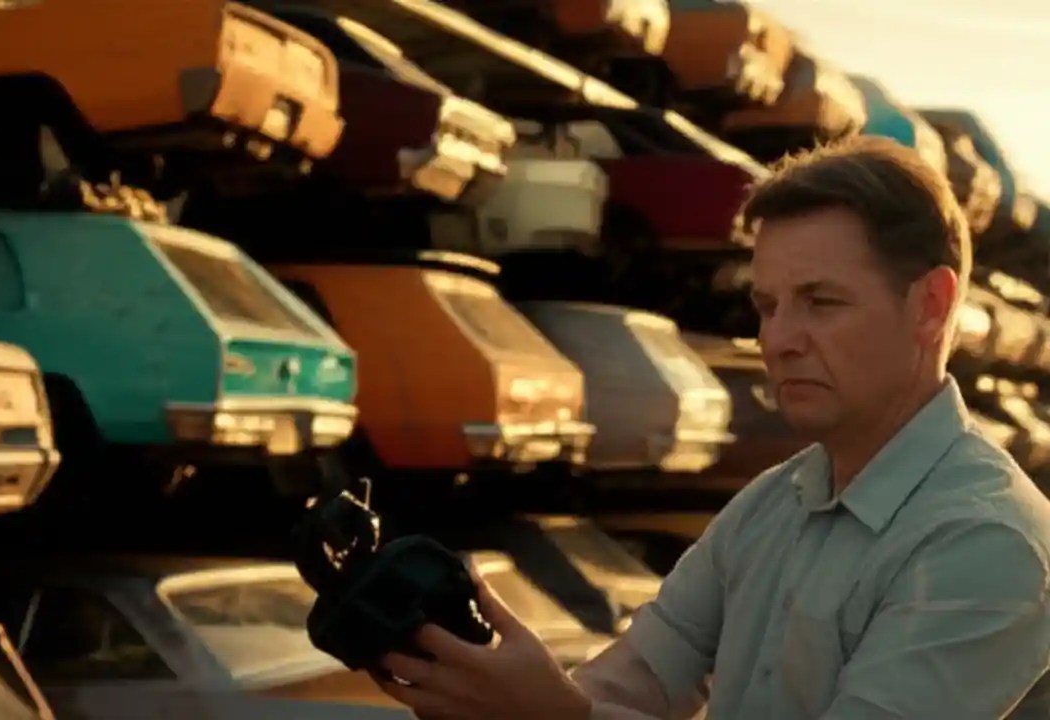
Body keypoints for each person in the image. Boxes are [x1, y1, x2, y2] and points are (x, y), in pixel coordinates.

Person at [371, 135, 1050, 719]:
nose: (777, 340)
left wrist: (557, 716)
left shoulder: (986, 541)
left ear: (931, 305)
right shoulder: (773, 503)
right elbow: (640, 676)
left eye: (820, 302)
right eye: (767, 306)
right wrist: (484, 684)